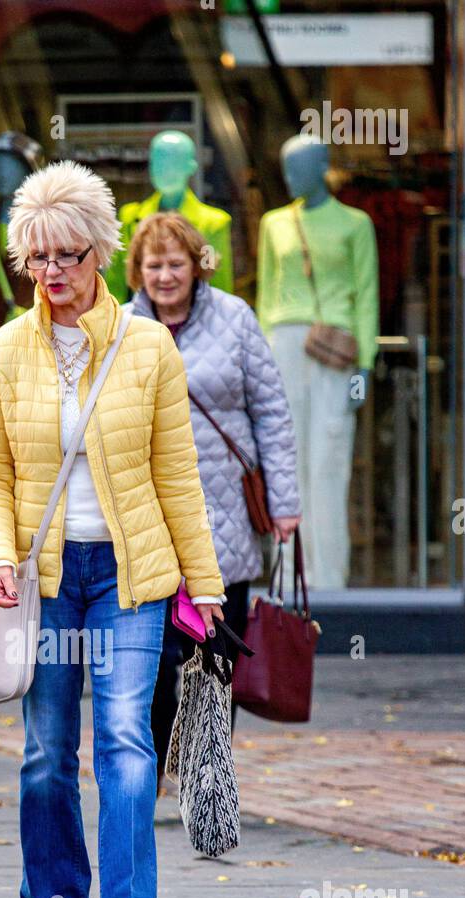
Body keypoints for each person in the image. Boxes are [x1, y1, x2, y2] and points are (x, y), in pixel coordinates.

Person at [0, 162, 225, 898]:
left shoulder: (147, 348)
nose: (53, 275)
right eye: (38, 259)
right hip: (42, 580)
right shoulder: (5, 352)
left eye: (68, 257)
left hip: (129, 574)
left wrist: (205, 584)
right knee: (45, 751)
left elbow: (178, 472)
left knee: (122, 737)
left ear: (100, 254)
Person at [126, 212, 301, 778]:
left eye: (176, 263)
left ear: (197, 266)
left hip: (223, 515)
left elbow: (272, 411)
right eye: (154, 265)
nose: (166, 276)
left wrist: (285, 501)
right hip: (150, 521)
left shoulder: (235, 318)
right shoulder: (121, 327)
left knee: (216, 658)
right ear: (138, 270)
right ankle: (149, 776)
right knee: (152, 660)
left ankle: (207, 780)